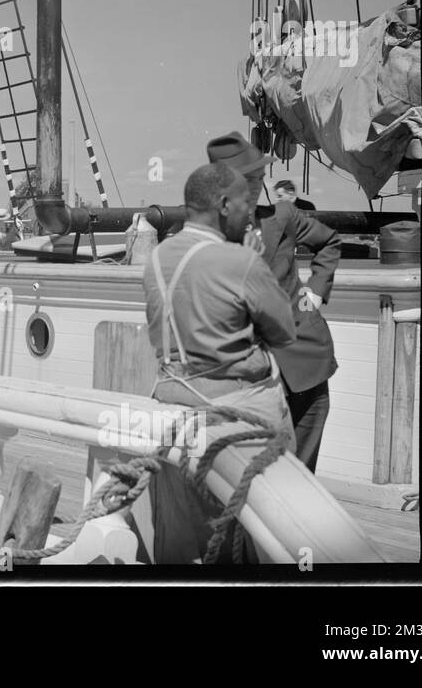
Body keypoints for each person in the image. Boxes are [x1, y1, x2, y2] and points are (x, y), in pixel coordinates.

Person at [142, 161, 298, 563]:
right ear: (225, 205)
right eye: (247, 203)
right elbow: (284, 333)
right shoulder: (239, 261)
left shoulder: (157, 258)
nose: (252, 211)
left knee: (180, 541)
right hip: (239, 415)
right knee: (262, 536)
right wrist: (255, 265)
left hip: (172, 411)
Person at [207, 132, 341, 473]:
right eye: (247, 179)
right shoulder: (207, 237)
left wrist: (316, 293)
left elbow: (329, 242)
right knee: (259, 466)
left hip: (306, 359)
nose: (257, 185)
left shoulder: (282, 217)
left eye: (258, 177)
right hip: (254, 375)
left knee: (303, 465)